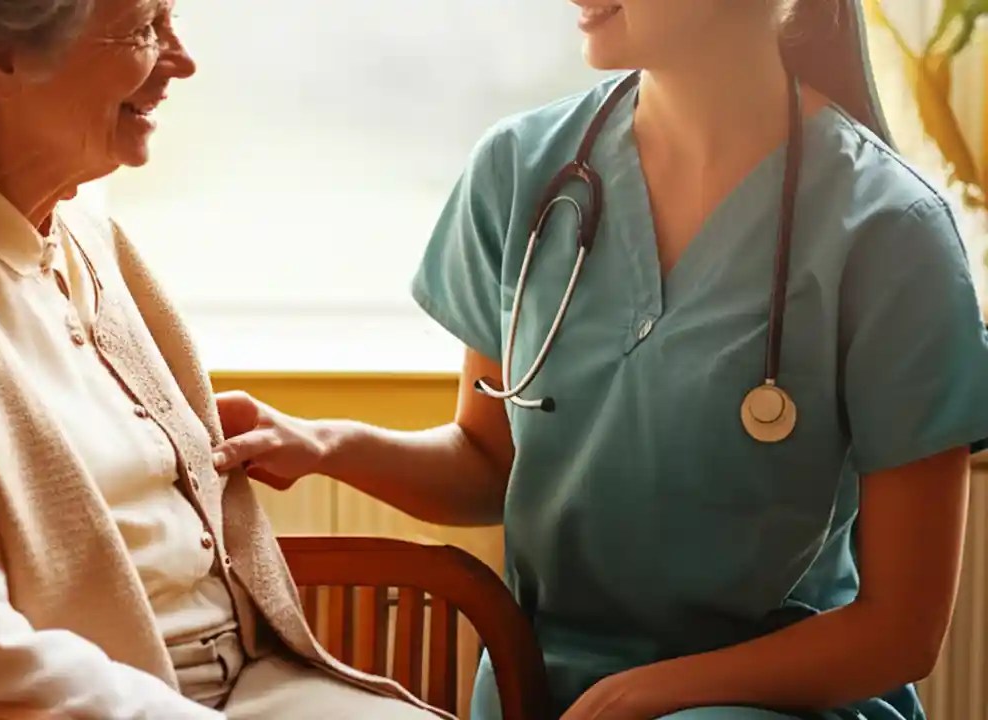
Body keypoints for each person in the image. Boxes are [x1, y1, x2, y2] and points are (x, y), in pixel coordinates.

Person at [210, 0, 988, 718]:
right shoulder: (522, 171)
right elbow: (487, 460)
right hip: (538, 687)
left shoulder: (891, 231)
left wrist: (651, 694)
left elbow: (900, 632)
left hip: (774, 700)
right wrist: (324, 445)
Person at [0, 1, 443, 718]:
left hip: (252, 681)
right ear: (2, 58)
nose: (181, 61)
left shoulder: (82, 232)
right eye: (144, 29)